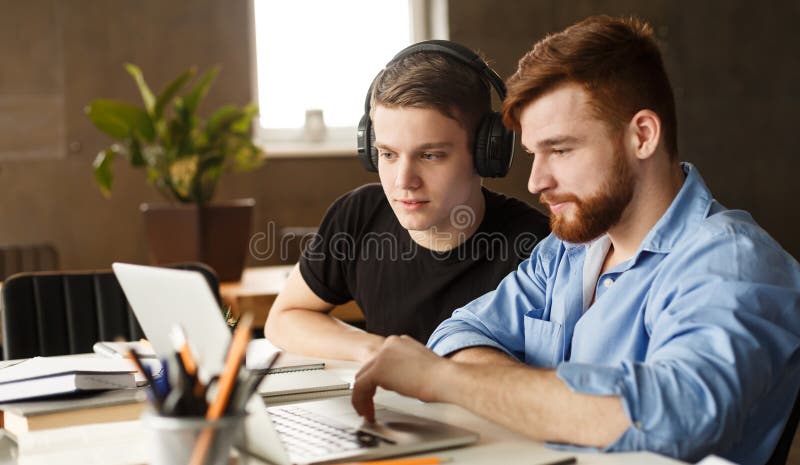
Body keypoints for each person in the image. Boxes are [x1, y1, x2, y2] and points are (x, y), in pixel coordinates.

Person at [351, 16, 800, 465]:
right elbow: (458, 332)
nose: (535, 181)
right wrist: (547, 403)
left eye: (561, 150)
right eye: (533, 154)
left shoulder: (733, 263)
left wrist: (446, 382)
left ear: (641, 135)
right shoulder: (567, 251)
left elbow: (675, 421)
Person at [264, 41, 550, 363]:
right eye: (388, 154)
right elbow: (284, 317)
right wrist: (377, 350)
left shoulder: (538, 251)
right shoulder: (359, 216)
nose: (403, 181)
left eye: (430, 155)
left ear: (487, 153)